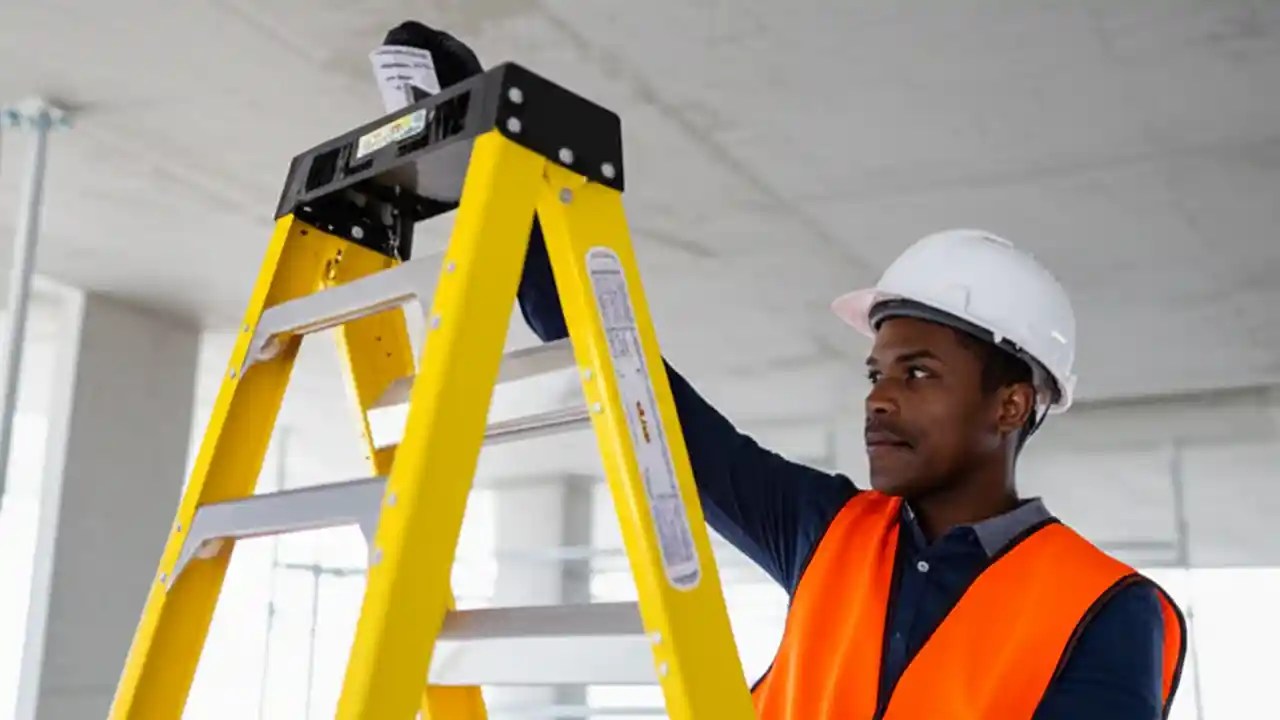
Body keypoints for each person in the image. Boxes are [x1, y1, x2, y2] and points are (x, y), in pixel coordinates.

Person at [381, 21, 1186, 720]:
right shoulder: (828, 531)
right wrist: (490, 169)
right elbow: (642, 398)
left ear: (1009, 406)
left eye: (917, 374)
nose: (879, 399)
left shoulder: (1105, 610)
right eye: (875, 374)